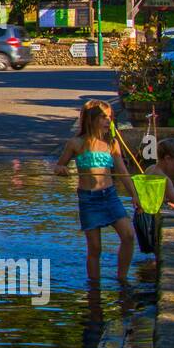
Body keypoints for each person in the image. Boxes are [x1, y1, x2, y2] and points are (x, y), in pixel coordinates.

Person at [55, 102, 141, 283]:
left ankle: (122, 279)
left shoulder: (111, 143)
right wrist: (61, 170)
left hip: (110, 196)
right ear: (90, 119)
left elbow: (123, 172)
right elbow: (59, 165)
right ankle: (94, 285)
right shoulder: (76, 143)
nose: (107, 120)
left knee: (128, 235)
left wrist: (134, 194)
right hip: (89, 199)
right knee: (95, 248)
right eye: (103, 117)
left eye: (110, 117)